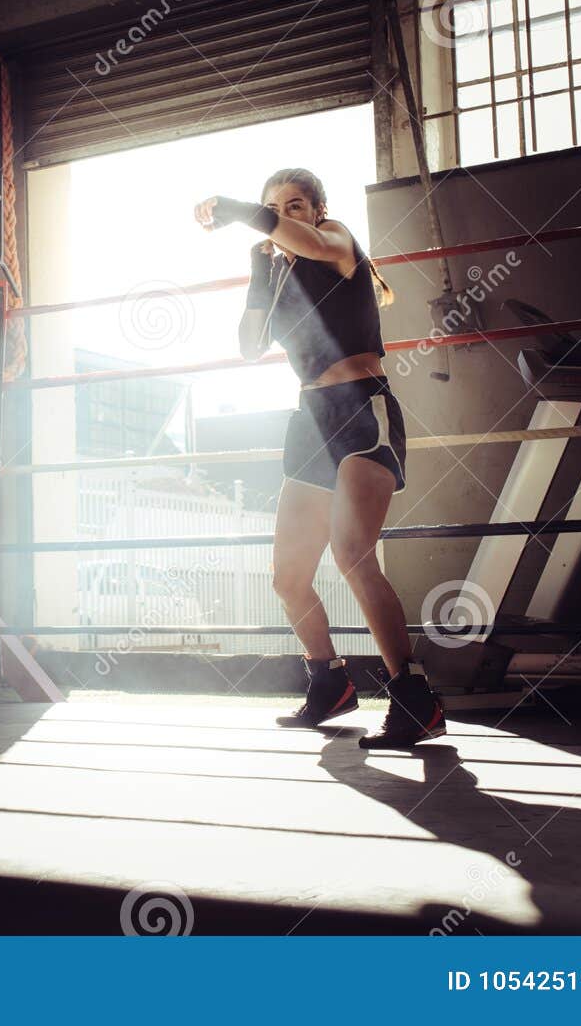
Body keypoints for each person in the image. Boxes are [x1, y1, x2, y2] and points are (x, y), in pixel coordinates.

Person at [193, 168, 445, 749]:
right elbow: (250, 345)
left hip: (360, 406)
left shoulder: (336, 242)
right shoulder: (279, 271)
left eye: (296, 204)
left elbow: (303, 240)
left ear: (317, 209)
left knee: (354, 554)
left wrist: (236, 207)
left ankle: (414, 697)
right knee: (287, 576)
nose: (288, 213)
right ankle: (328, 682)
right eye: (276, 206)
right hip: (310, 422)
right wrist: (260, 273)